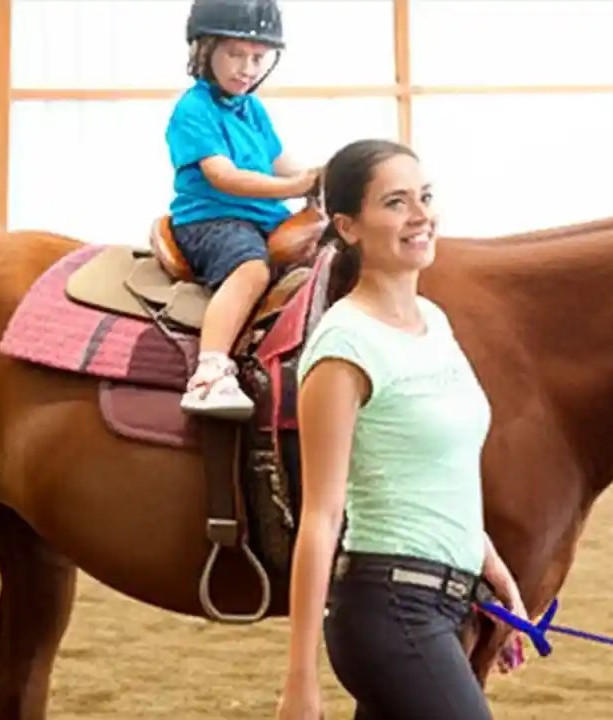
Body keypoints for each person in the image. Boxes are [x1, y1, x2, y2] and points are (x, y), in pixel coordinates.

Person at [277, 138, 529, 720]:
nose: (421, 216)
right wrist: (300, 682)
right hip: (389, 611)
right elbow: (321, 515)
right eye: (396, 202)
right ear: (348, 225)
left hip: (447, 602)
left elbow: (443, 476)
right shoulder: (345, 346)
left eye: (426, 196)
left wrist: (495, 576)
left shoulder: (434, 323)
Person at [165, 0, 319, 420]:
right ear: (204, 51)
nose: (247, 68)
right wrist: (295, 186)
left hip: (264, 217)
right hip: (211, 219)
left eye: (257, 57)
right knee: (251, 269)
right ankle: (210, 371)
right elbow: (224, 177)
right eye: (235, 54)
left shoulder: (252, 108)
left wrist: (324, 176)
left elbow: (282, 159)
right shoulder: (193, 109)